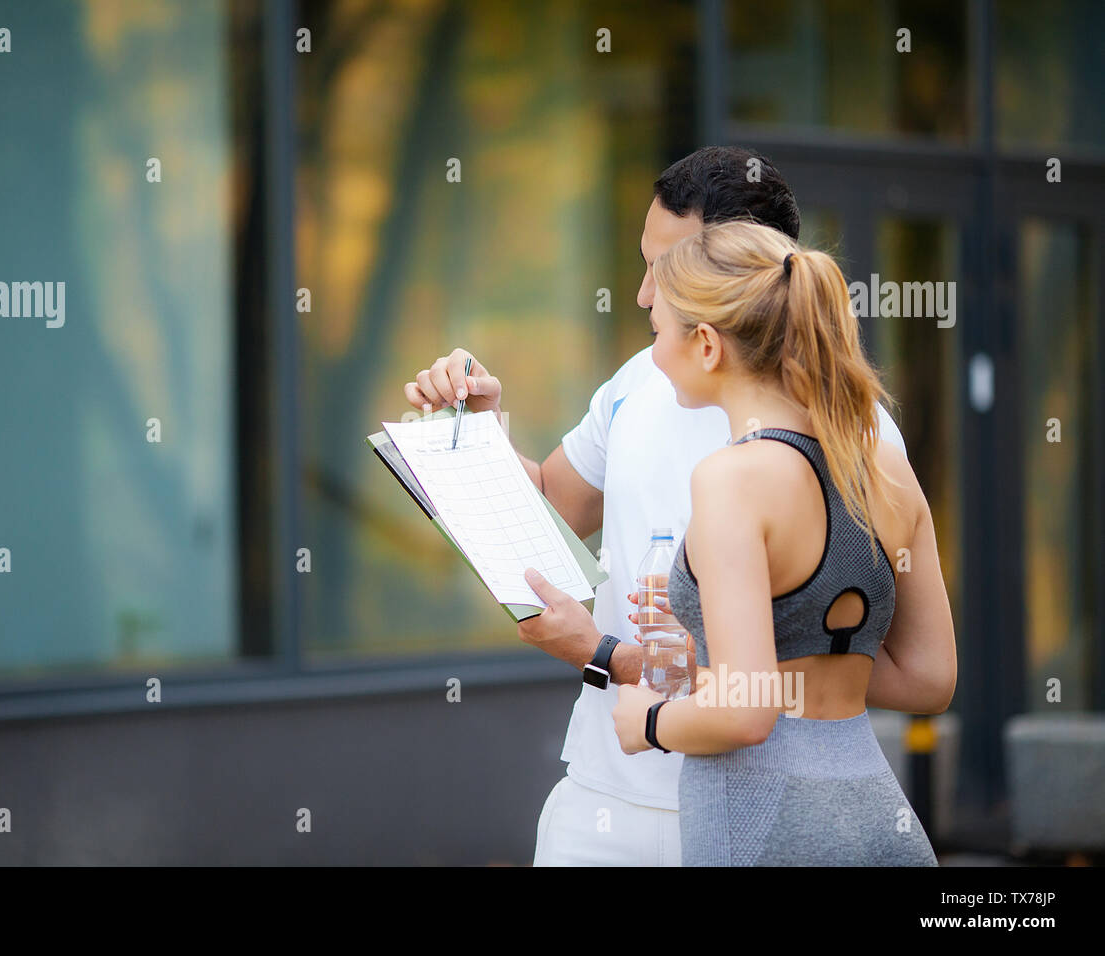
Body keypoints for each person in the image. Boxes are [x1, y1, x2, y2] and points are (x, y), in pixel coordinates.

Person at [403, 147, 913, 866]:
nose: (645, 295)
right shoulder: (640, 379)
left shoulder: (855, 434)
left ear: (742, 269)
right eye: (645, 265)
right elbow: (552, 506)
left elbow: (827, 666)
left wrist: (611, 654)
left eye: (666, 269)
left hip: (745, 807)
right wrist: (472, 429)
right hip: (602, 796)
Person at [609, 220, 957, 864]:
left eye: (659, 334)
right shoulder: (884, 465)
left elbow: (746, 714)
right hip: (882, 823)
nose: (654, 354)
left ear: (707, 345)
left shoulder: (731, 478)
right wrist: (745, 660)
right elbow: (929, 680)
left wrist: (646, 724)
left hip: (765, 824)